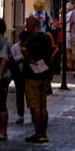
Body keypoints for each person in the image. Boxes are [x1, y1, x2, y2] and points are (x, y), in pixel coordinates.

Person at [21, 14, 53, 143]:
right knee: (43, 105)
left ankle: (38, 133)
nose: (26, 26)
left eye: (27, 24)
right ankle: (44, 134)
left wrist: (29, 60)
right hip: (45, 73)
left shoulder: (31, 38)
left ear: (32, 25)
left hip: (33, 75)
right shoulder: (46, 37)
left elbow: (23, 49)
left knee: (35, 106)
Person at [9, 30, 27, 124]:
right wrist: (19, 59)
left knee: (29, 95)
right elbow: (11, 59)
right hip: (18, 74)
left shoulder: (29, 47)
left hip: (27, 74)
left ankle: (33, 113)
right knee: (19, 95)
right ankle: (20, 115)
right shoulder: (15, 47)